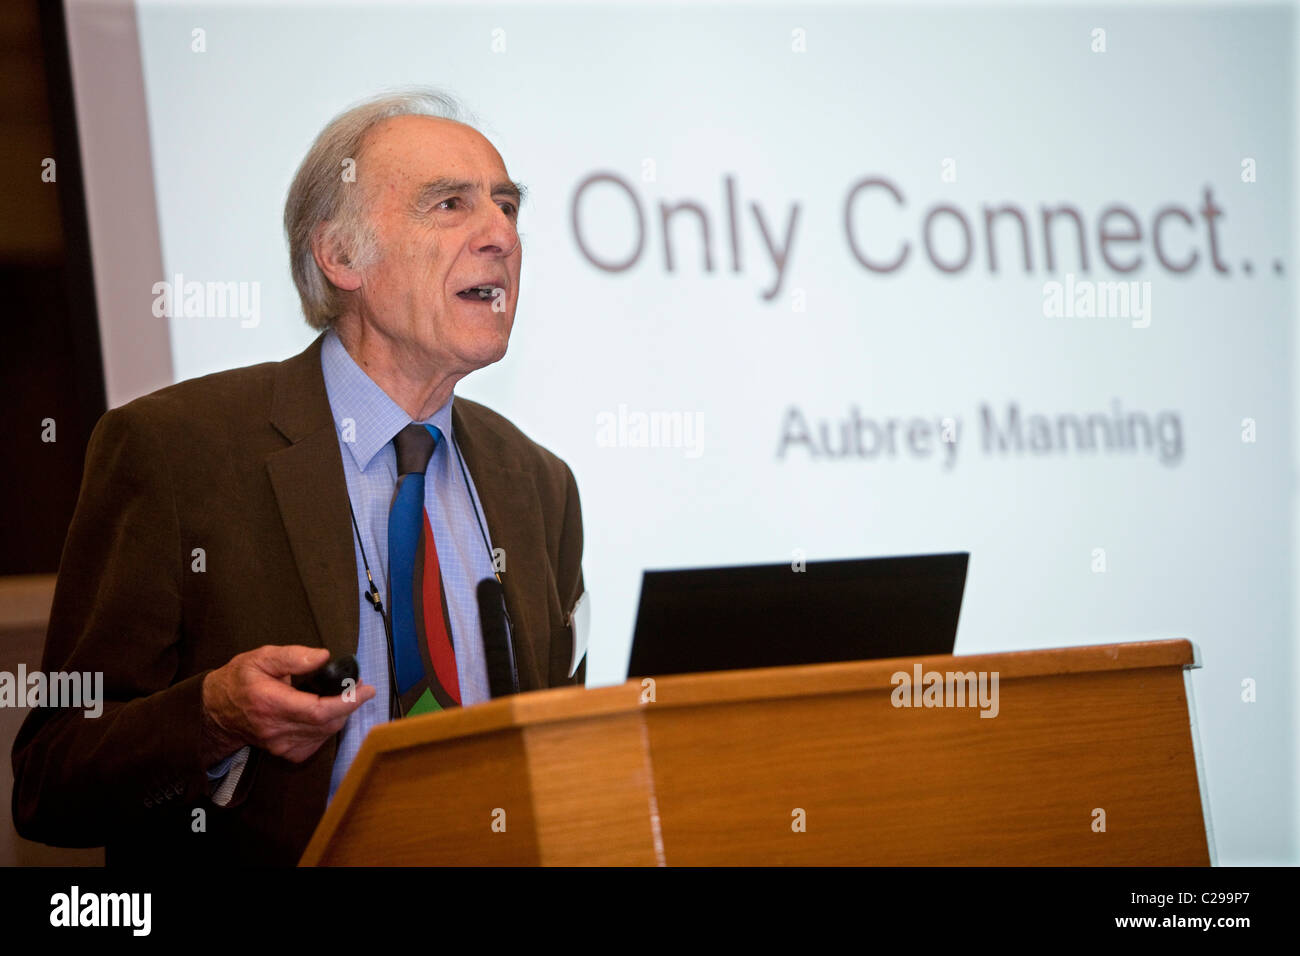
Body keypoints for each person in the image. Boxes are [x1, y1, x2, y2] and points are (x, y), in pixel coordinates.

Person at [11, 88, 587, 865]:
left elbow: (563, 763)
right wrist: (213, 716)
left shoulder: (538, 484)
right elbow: (51, 781)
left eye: (509, 207)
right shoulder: (174, 451)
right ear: (340, 256)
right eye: (451, 204)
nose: (502, 237)